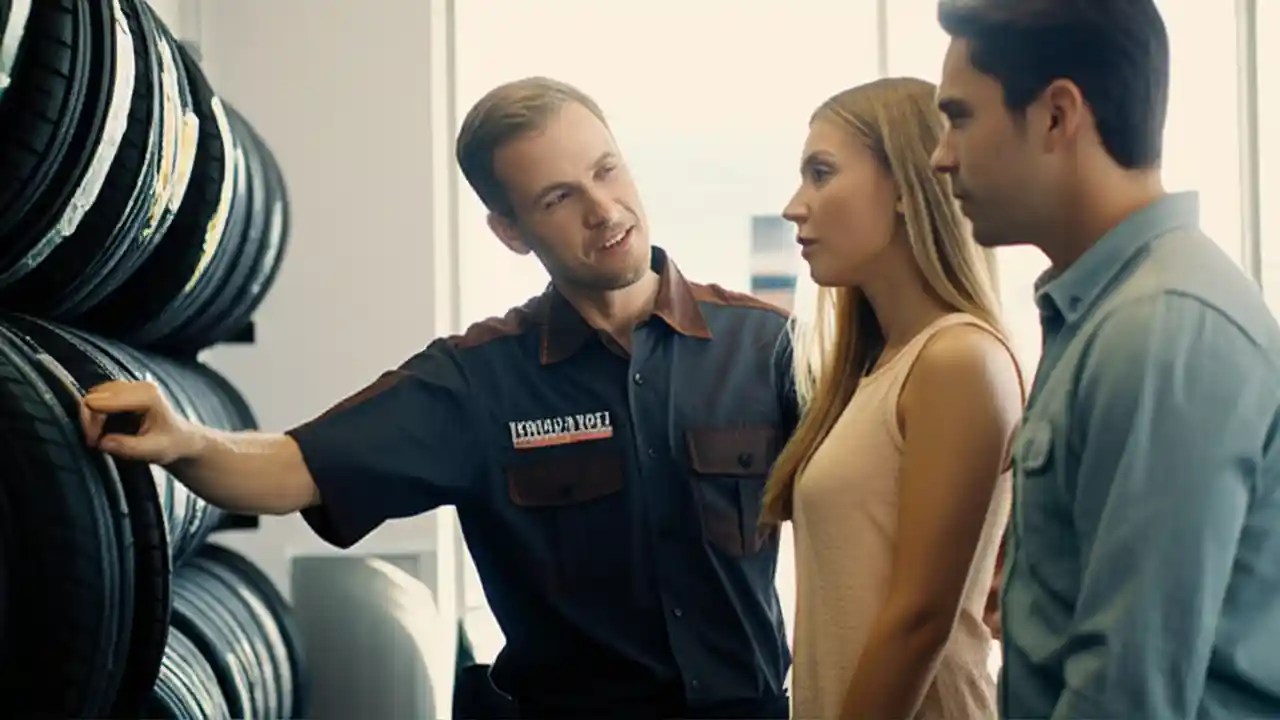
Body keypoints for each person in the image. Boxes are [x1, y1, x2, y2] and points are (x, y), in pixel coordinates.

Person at [79, 76, 798, 719]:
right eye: (558, 198)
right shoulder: (478, 380)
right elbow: (294, 467)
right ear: (510, 231)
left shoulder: (767, 347)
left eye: (606, 170)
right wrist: (184, 441)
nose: (604, 209)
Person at [931, 0, 1280, 717]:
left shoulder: (1162, 327)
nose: (941, 155)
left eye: (960, 117)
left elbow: (1127, 689)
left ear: (1057, 115)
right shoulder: (1111, 311)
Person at [761, 76, 1024, 720]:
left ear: (907, 187)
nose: (795, 206)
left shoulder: (957, 359)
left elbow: (920, 621)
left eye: (822, 173)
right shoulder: (878, 369)